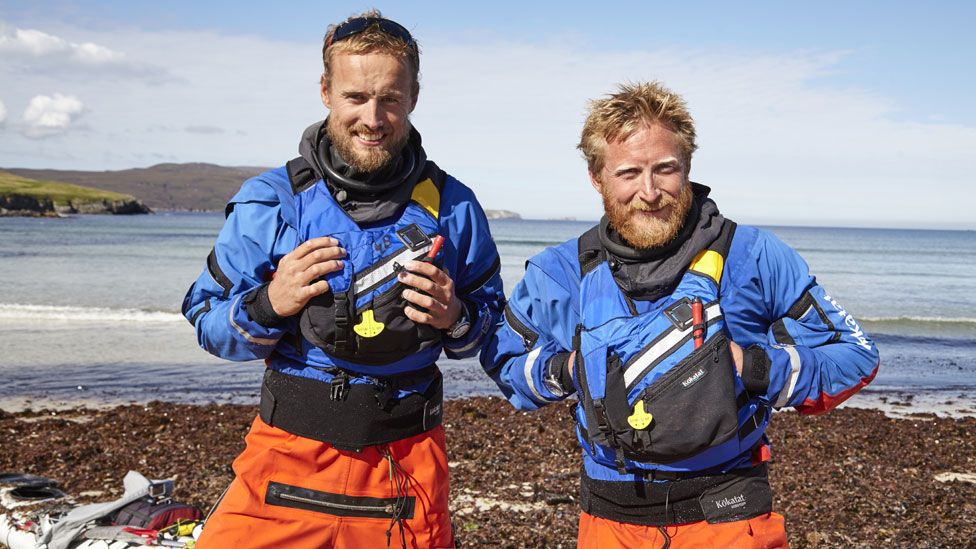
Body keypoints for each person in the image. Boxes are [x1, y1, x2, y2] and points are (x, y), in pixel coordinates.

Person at [482, 82, 880, 548]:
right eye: (628, 172)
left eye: (665, 169)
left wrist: (753, 368)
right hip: (610, 520)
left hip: (728, 517)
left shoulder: (754, 256)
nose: (649, 192)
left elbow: (856, 357)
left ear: (687, 166)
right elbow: (505, 361)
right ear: (596, 177)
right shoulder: (561, 272)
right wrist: (567, 371)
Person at [182, 11, 503, 548]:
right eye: (356, 97)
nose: (373, 118)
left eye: (391, 99)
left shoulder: (453, 206)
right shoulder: (272, 201)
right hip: (285, 460)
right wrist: (267, 304)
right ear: (327, 91)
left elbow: (491, 331)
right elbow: (204, 317)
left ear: (414, 97)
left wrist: (457, 318)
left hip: (406, 469)